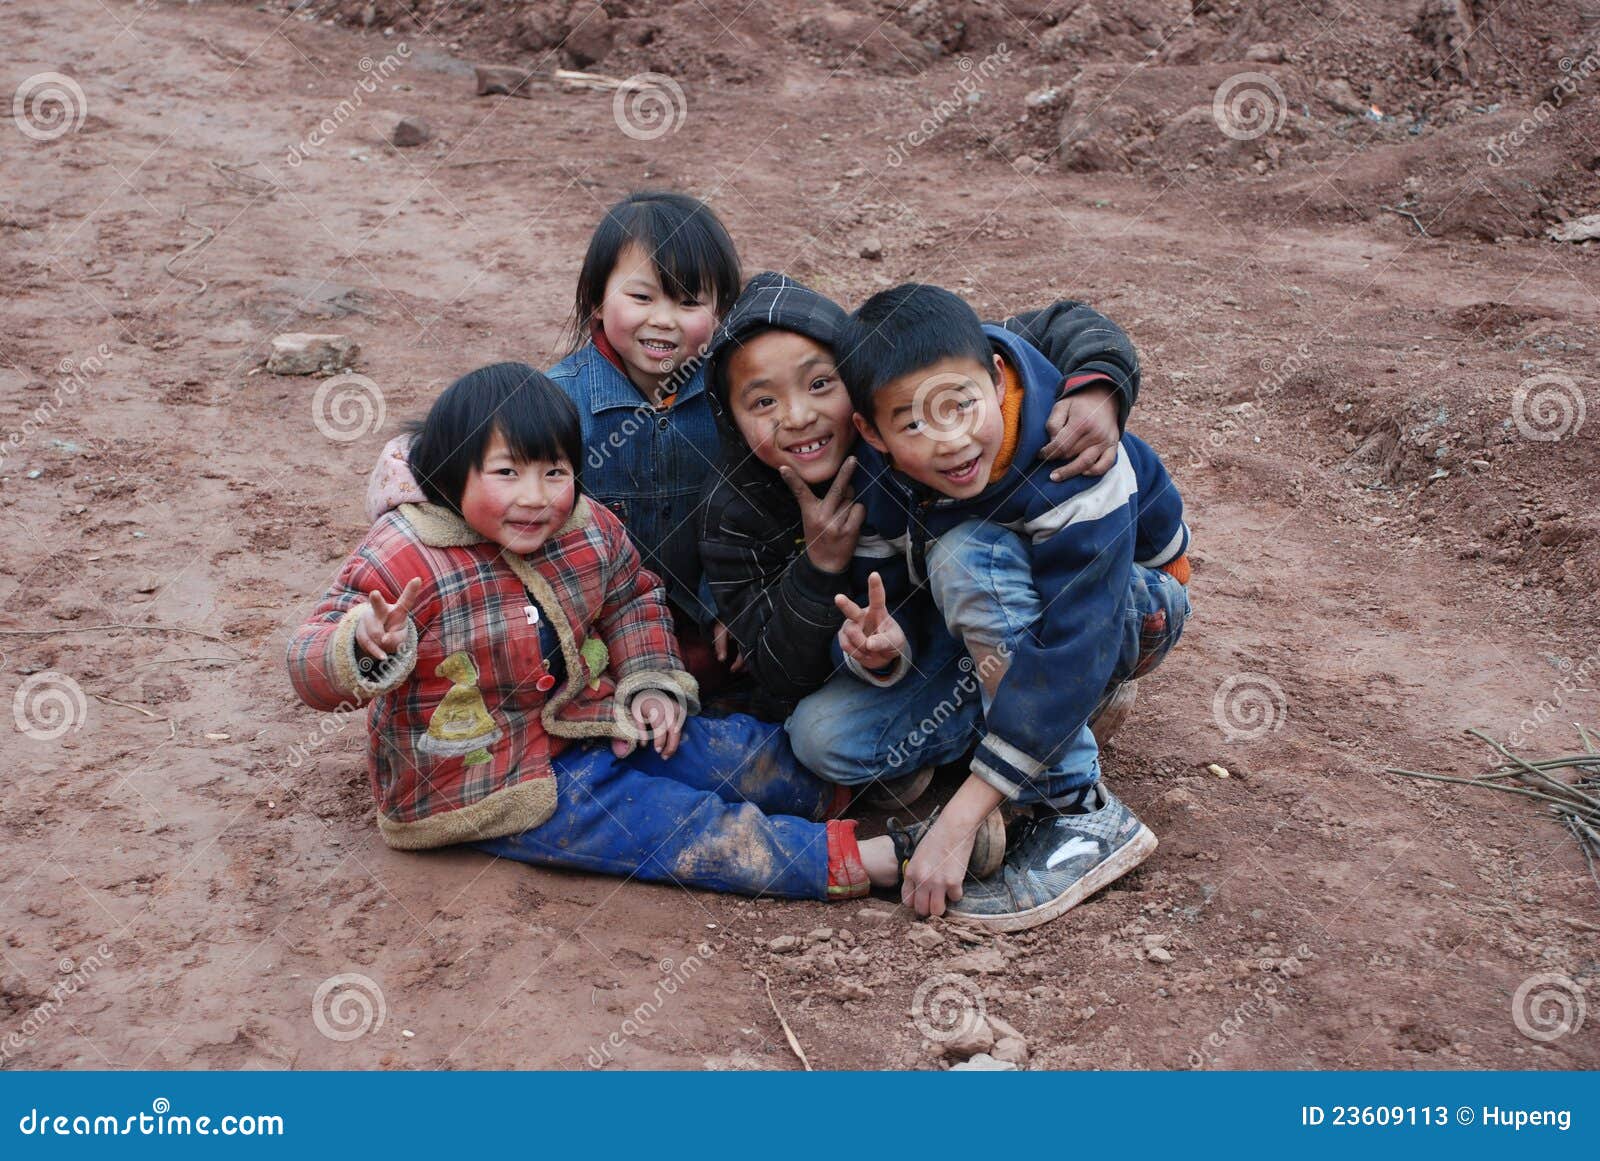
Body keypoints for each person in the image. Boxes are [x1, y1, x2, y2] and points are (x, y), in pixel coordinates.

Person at [286, 363, 989, 901]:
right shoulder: (404, 554)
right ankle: (872, 857)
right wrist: (361, 643)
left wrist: (652, 680)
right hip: (490, 785)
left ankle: (863, 788)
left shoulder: (585, 526)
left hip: (594, 722)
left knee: (733, 748)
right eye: (507, 473)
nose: (536, 496)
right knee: (674, 824)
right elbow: (308, 657)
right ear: (451, 473)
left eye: (554, 471)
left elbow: (631, 597)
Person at [698, 272, 1144, 811]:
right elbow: (781, 675)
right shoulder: (735, 509)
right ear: (731, 420)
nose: (798, 417)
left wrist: (1098, 385)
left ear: (860, 378)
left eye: (820, 384)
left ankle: (1060, 772)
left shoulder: (930, 380)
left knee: (963, 552)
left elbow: (1059, 325)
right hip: (942, 644)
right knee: (819, 736)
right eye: (762, 403)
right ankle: (1036, 716)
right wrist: (821, 572)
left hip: (1072, 602)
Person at [835, 284, 1193, 930]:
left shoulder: (1073, 451)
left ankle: (1078, 811)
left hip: (1134, 602)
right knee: (826, 738)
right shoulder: (879, 476)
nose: (948, 441)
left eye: (962, 405)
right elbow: (897, 592)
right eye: (913, 423)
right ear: (872, 431)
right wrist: (890, 646)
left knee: (964, 554)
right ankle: (1052, 721)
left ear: (996, 378)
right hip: (1017, 616)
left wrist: (964, 812)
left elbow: (1078, 633)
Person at [364, 190, 743, 688]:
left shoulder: (732, 400)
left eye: (690, 301)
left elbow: (747, 515)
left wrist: (739, 603)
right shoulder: (558, 401)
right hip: (585, 620)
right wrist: (412, 482)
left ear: (723, 311)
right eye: (642, 296)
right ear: (596, 298)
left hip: (702, 624)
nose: (664, 319)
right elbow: (448, 455)